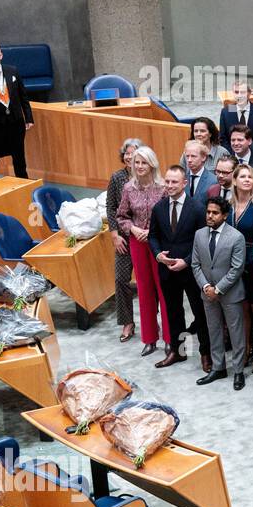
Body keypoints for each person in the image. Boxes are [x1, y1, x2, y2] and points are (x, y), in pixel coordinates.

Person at [148, 165, 211, 371]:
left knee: (199, 312)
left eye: (174, 182)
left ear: (184, 183)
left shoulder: (197, 208)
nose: (170, 185)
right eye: (167, 181)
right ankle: (179, 351)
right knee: (173, 312)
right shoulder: (159, 207)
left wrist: (186, 260)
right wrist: (158, 254)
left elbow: (202, 240)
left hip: (191, 270)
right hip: (167, 270)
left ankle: (205, 354)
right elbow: (153, 236)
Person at [116, 147, 170, 356]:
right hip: (137, 242)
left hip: (158, 241)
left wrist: (153, 232)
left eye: (143, 163)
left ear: (152, 164)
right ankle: (149, 339)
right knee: (145, 291)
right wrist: (134, 229)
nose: (139, 166)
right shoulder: (128, 188)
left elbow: (168, 215)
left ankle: (169, 338)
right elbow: (122, 216)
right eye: (136, 163)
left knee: (163, 290)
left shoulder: (163, 187)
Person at [191, 196, 248, 390]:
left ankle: (238, 370)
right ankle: (218, 367)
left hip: (230, 293)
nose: (210, 216)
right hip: (207, 292)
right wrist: (206, 287)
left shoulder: (236, 237)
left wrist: (219, 288)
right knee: (213, 329)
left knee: (236, 332)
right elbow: (195, 264)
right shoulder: (199, 234)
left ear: (224, 215)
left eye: (215, 213)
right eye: (208, 212)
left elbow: (237, 268)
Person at [227, 165, 253, 370]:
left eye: (250, 177)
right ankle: (246, 348)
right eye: (242, 176)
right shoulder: (228, 205)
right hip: (233, 262)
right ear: (234, 181)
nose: (246, 180)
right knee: (242, 308)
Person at [106, 139, 143, 344]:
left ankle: (151, 320)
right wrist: (114, 234)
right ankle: (127, 322)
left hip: (144, 237)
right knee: (121, 280)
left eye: (134, 152)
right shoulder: (117, 177)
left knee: (148, 282)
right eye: (127, 153)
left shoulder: (147, 176)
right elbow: (110, 206)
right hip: (123, 237)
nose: (130, 157)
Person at [0, 42, 33, 181]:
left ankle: (24, 185)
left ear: (1, 55)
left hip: (15, 122)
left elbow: (23, 96)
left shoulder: (12, 71)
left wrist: (29, 117)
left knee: (19, 158)